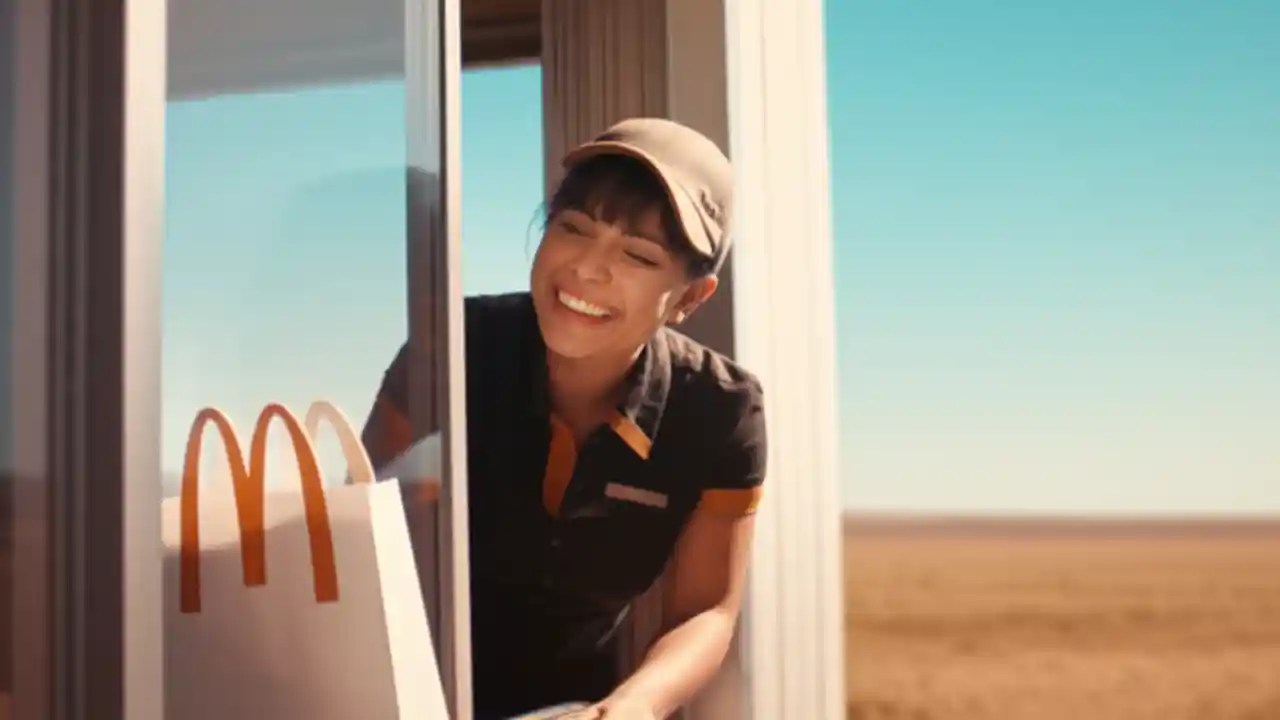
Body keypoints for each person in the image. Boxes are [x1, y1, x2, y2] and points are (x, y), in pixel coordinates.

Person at [360, 117, 766, 720]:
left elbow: (708, 611)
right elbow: (360, 538)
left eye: (637, 254)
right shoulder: (448, 350)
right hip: (394, 695)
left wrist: (633, 707)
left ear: (689, 297)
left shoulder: (723, 411)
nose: (587, 268)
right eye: (573, 228)